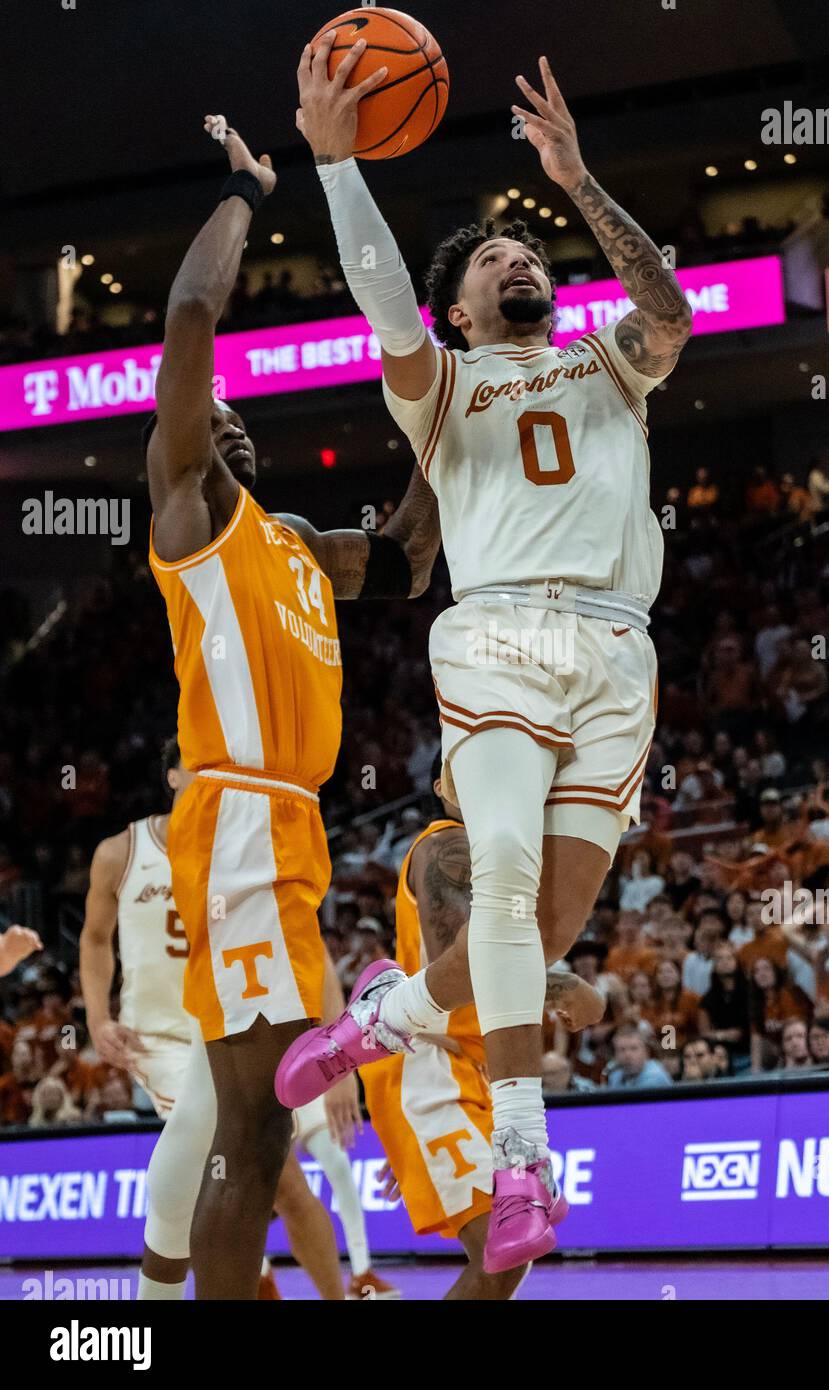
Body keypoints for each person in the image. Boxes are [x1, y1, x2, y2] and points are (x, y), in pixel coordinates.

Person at [282, 36, 691, 1272]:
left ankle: (390, 1015)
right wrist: (335, 166)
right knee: (502, 871)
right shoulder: (444, 386)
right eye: (491, 261)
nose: (518, 260)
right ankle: (522, 1163)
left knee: (544, 926)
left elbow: (666, 306)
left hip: (621, 650)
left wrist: (575, 177)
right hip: (501, 627)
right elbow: (379, 303)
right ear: (458, 308)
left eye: (528, 253)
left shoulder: (608, 363)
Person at [144, 117, 438, 1299]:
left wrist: (447, 402)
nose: (225, 423)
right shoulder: (189, 516)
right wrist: (243, 190)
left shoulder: (304, 547)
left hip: (292, 833)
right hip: (238, 823)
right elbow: (187, 323)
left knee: (250, 1114)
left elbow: (413, 557)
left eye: (234, 419)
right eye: (201, 421)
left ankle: (173, 1290)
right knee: (257, 1129)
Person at [79, 740, 394, 1301]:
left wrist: (336, 1052)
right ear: (172, 776)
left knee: (266, 1175)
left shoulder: (240, 844)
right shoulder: (120, 852)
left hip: (237, 1024)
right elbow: (97, 938)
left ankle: (293, 1286)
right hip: (163, 1041)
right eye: (196, 768)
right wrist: (98, 1018)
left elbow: (309, 950)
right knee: (272, 1174)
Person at [361, 756, 604, 1296]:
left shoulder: (499, 855)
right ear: (441, 786)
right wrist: (566, 987)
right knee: (506, 1252)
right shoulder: (447, 843)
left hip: (470, 1074)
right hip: (432, 1067)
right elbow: (466, 961)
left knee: (517, 1243)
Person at [605, 1027, 672, 1088]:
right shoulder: (615, 1075)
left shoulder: (655, 1076)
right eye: (622, 1049)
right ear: (615, 1055)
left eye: (633, 1048)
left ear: (646, 1052)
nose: (627, 1055)